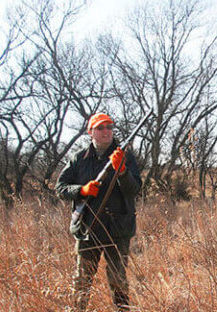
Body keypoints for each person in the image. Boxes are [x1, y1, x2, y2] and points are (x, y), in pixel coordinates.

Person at [56, 113, 142, 312]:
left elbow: (134, 189)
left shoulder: (125, 156)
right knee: (81, 281)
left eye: (109, 127)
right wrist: (81, 190)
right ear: (91, 132)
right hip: (88, 228)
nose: (106, 131)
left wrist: (122, 171)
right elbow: (61, 188)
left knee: (118, 281)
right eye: (101, 127)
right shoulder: (79, 158)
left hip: (117, 230)